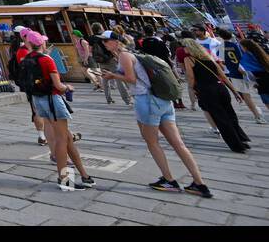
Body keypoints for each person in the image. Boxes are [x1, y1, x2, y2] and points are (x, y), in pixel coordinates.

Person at [99, 31, 211, 197]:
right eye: (103, 41)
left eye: (106, 41)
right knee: (178, 143)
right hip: (162, 100)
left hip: (146, 100)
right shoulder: (133, 54)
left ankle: (169, 180)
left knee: (152, 142)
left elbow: (131, 79)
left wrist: (112, 75)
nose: (104, 44)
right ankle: (199, 183)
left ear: (116, 41)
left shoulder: (124, 56)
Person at [19, 31, 94, 190]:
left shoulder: (26, 60)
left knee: (67, 137)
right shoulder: (47, 59)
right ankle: (65, 179)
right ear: (42, 44)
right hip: (52, 100)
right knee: (62, 140)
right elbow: (58, 86)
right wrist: (68, 87)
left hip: (39, 101)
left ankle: (85, 175)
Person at [182, 37, 251, 154]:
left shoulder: (189, 60)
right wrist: (234, 92)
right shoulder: (208, 57)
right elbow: (223, 76)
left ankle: (237, 145)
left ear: (189, 48)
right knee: (230, 115)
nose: (183, 49)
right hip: (220, 88)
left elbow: (191, 77)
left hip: (207, 91)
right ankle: (241, 139)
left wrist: (192, 88)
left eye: (184, 47)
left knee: (221, 119)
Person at [217, 28, 265, 124]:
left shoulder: (221, 46)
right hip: (247, 71)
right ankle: (257, 112)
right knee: (258, 92)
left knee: (246, 96)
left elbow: (222, 61)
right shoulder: (238, 45)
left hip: (235, 73)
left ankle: (257, 115)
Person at [240, 36, 269, 110]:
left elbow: (242, 70)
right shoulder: (261, 53)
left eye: (242, 47)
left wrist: (252, 82)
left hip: (260, 81)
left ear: (245, 47)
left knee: (267, 101)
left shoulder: (246, 57)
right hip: (267, 76)